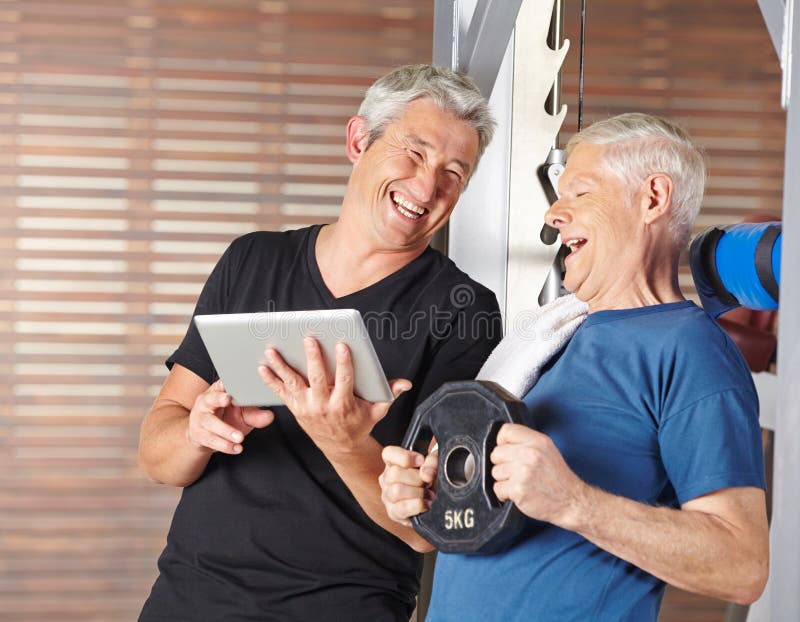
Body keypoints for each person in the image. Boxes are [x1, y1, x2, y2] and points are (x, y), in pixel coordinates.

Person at [138, 64, 502, 622]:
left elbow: (428, 528)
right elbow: (157, 457)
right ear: (358, 141)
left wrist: (345, 442)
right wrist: (198, 432)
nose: (428, 187)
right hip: (189, 600)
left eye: (454, 173)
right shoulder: (252, 260)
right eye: (414, 153)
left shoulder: (464, 310)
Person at [380, 113, 769, 621]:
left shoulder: (690, 349)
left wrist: (574, 503)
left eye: (580, 193)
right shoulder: (548, 338)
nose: (554, 215)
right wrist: (426, 491)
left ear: (653, 198)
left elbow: (742, 566)